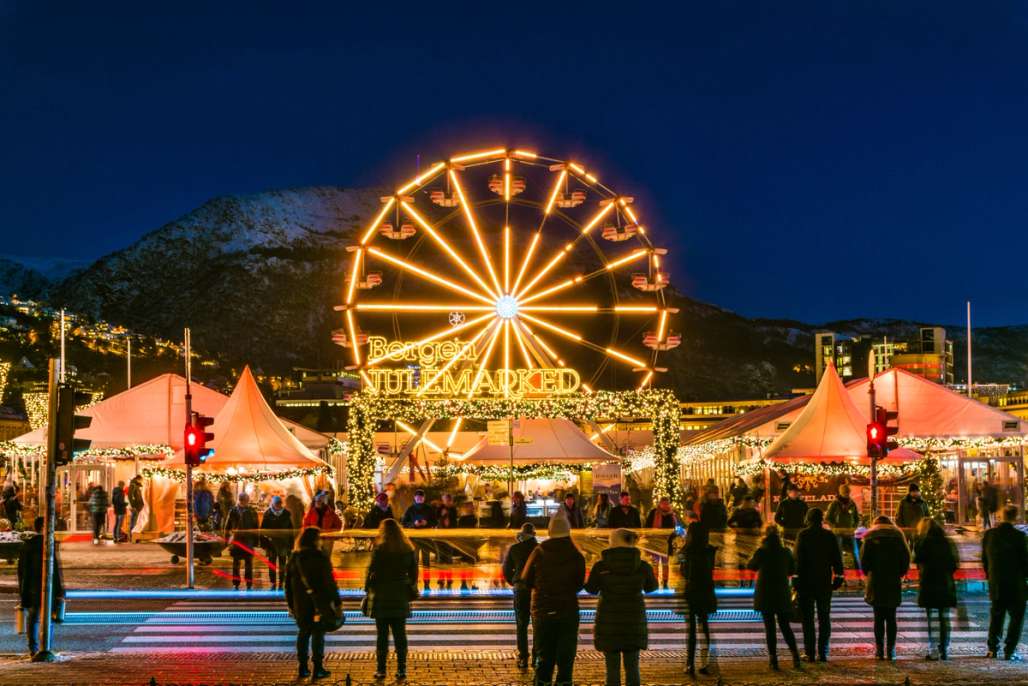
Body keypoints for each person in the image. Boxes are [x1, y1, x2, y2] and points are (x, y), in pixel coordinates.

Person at [585, 528, 658, 686]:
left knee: (612, 668)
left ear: (612, 542)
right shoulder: (642, 566)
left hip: (609, 621)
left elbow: (591, 588)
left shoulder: (601, 566)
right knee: (632, 667)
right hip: (634, 621)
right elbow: (652, 587)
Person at [521, 514, 586, 686]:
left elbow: (525, 580)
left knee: (544, 655)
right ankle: (564, 681)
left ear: (550, 531)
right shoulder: (576, 554)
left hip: (543, 609)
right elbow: (579, 584)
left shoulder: (539, 551)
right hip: (568, 609)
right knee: (566, 656)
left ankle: (543, 681)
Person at [365, 518, 418, 680]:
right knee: (400, 634)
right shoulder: (408, 549)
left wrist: (368, 588)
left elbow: (371, 571)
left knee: (382, 635)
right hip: (400, 595)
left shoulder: (379, 550)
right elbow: (414, 574)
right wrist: (408, 586)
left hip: (382, 595)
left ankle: (381, 669)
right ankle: (402, 669)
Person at [284, 526, 339, 680]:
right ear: (315, 540)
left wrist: (291, 604)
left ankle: (302, 667)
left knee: (303, 633)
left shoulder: (294, 558)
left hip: (300, 604)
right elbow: (329, 582)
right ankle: (318, 668)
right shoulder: (320, 557)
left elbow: (287, 585)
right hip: (318, 603)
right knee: (318, 634)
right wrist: (336, 602)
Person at [747, 524, 801, 670]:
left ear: (765, 536)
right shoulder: (786, 552)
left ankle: (773, 659)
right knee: (785, 626)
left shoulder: (761, 552)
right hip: (781, 592)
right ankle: (795, 656)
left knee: (769, 628)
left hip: (765, 594)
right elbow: (792, 570)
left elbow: (751, 566)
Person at [793, 508, 843, 662]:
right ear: (822, 519)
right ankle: (823, 652)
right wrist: (838, 576)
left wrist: (795, 578)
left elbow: (798, 559)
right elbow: (837, 558)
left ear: (808, 519)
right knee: (824, 617)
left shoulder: (803, 535)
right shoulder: (829, 535)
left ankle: (810, 652)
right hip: (824, 580)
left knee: (808, 619)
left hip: (806, 581)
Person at [860, 515, 911, 660]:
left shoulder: (870, 537)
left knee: (878, 617)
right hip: (892, 579)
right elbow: (906, 558)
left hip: (876, 579)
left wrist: (868, 572)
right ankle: (891, 650)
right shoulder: (898, 536)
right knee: (891, 617)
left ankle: (879, 650)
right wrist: (900, 573)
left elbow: (864, 560)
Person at [982, 504, 1028, 660]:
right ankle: (1010, 650)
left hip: (997, 583)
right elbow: (1025, 562)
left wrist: (990, 576)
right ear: (1015, 517)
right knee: (1016, 618)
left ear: (1001, 516)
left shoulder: (990, 535)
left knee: (997, 616)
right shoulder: (1019, 537)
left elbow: (985, 559)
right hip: (1016, 584)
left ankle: (992, 648)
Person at [17, 516, 64, 657]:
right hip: (48, 588)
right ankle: (46, 646)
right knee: (47, 618)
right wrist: (60, 590)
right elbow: (55, 571)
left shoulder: (27, 546)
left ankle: (33, 648)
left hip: (32, 588)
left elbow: (21, 572)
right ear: (44, 527)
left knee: (33, 618)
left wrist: (22, 591)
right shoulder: (48, 545)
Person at [913, 518, 958, 660]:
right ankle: (944, 648)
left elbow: (917, 560)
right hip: (945, 583)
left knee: (931, 618)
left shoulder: (923, 543)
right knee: (944, 617)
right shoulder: (947, 542)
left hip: (929, 583)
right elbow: (954, 564)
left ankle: (933, 650)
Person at [678, 521, 717, 676]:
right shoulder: (710, 550)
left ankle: (690, 663)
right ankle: (706, 662)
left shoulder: (687, 551)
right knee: (704, 625)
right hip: (706, 589)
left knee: (692, 629)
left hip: (692, 591)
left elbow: (684, 571)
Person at [501, 522, 539, 669]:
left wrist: (514, 581)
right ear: (534, 534)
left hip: (521, 589)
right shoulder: (539, 549)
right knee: (537, 625)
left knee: (521, 624)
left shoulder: (514, 549)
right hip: (536, 590)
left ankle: (523, 657)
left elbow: (506, 570)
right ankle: (536, 657)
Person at [224, 492, 259, 591]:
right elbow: (227, 526)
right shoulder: (233, 511)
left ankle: (248, 583)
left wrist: (256, 541)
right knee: (237, 563)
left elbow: (256, 527)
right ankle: (237, 583)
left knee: (248, 563)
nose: (245, 502)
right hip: (237, 540)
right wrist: (226, 540)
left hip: (247, 540)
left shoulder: (251, 511)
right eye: (244, 500)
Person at [402, 489, 437, 586]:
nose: (419, 499)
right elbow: (404, 523)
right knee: (415, 561)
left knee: (426, 561)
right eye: (418, 497)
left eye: (421, 497)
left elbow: (435, 522)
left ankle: (426, 582)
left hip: (426, 538)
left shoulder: (429, 509)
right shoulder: (410, 509)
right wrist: (414, 524)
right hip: (414, 539)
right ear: (415, 498)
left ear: (424, 498)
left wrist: (427, 523)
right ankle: (414, 580)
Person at [645, 496, 679, 590]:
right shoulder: (654, 513)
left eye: (667, 503)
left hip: (666, 543)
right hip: (655, 541)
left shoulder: (671, 514)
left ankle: (665, 582)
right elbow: (648, 525)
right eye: (663, 503)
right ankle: (655, 581)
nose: (665, 505)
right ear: (660, 504)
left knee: (665, 563)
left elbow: (674, 527)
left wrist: (672, 535)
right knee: (655, 563)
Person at [728, 495, 763, 588]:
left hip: (751, 538)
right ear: (744, 502)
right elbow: (730, 522)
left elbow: (760, 523)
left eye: (751, 503)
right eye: (749, 502)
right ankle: (743, 579)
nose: (750, 504)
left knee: (750, 559)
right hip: (742, 538)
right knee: (742, 560)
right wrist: (737, 529)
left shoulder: (754, 512)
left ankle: (748, 579)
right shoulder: (738, 511)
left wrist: (756, 529)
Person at [261, 495, 294, 590]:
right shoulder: (267, 514)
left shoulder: (286, 514)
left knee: (282, 564)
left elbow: (290, 530)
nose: (278, 505)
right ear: (273, 504)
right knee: (272, 564)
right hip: (271, 544)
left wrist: (291, 545)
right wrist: (264, 544)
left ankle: (281, 582)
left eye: (279, 503)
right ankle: (273, 582)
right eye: (276, 504)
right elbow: (263, 529)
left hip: (283, 543)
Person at [826, 484, 860, 568]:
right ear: (841, 492)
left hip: (849, 531)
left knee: (855, 551)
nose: (847, 494)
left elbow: (856, 517)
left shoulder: (852, 503)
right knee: (839, 551)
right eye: (845, 492)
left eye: (848, 492)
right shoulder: (834, 504)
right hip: (838, 531)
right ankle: (839, 567)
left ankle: (858, 568)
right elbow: (828, 518)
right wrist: (834, 527)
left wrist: (854, 527)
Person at [128, 475, 145, 542]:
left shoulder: (136, 486)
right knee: (134, 522)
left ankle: (134, 536)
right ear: (138, 479)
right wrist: (133, 506)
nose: (141, 481)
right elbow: (130, 496)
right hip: (135, 507)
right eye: (141, 480)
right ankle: (132, 536)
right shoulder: (133, 485)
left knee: (135, 521)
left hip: (137, 506)